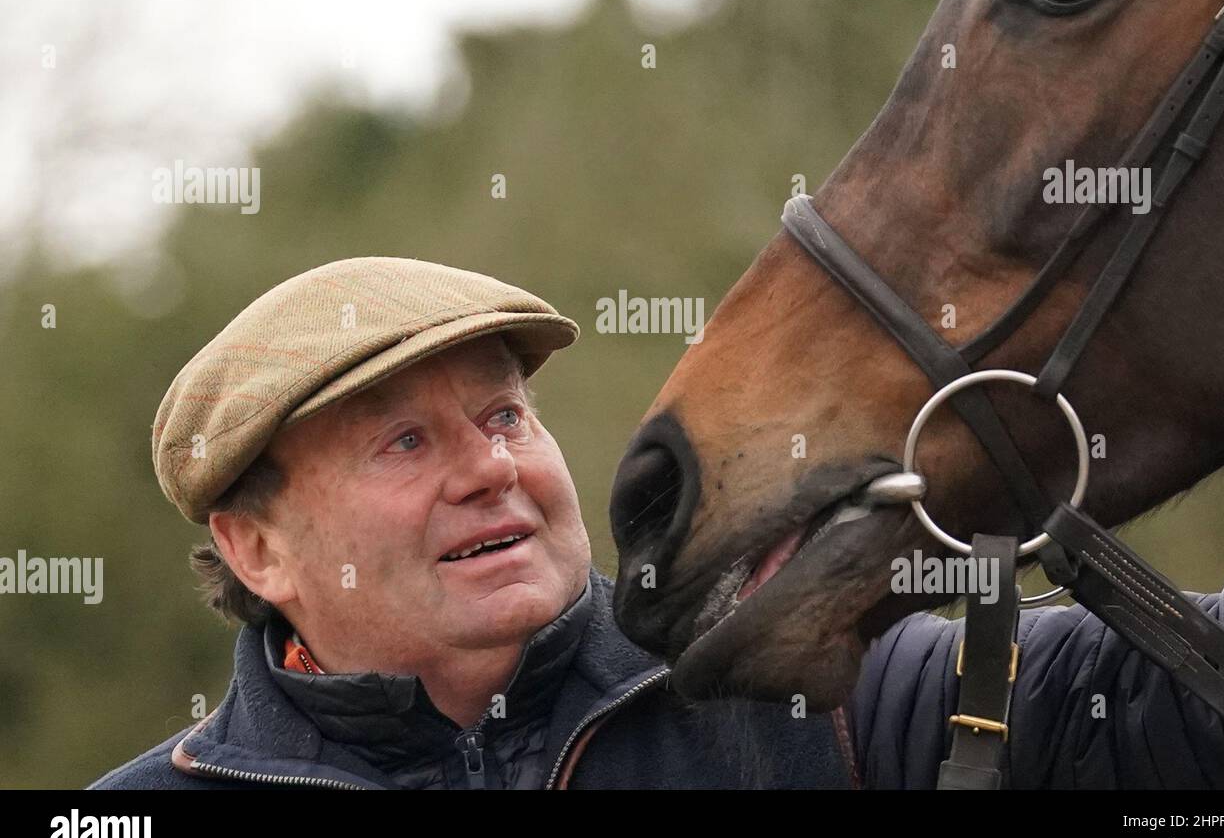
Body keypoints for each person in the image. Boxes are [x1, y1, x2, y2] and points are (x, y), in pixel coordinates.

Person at [88, 257, 852, 790]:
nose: (493, 467)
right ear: (256, 550)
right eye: (405, 443)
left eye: (505, 416)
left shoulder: (827, 696)